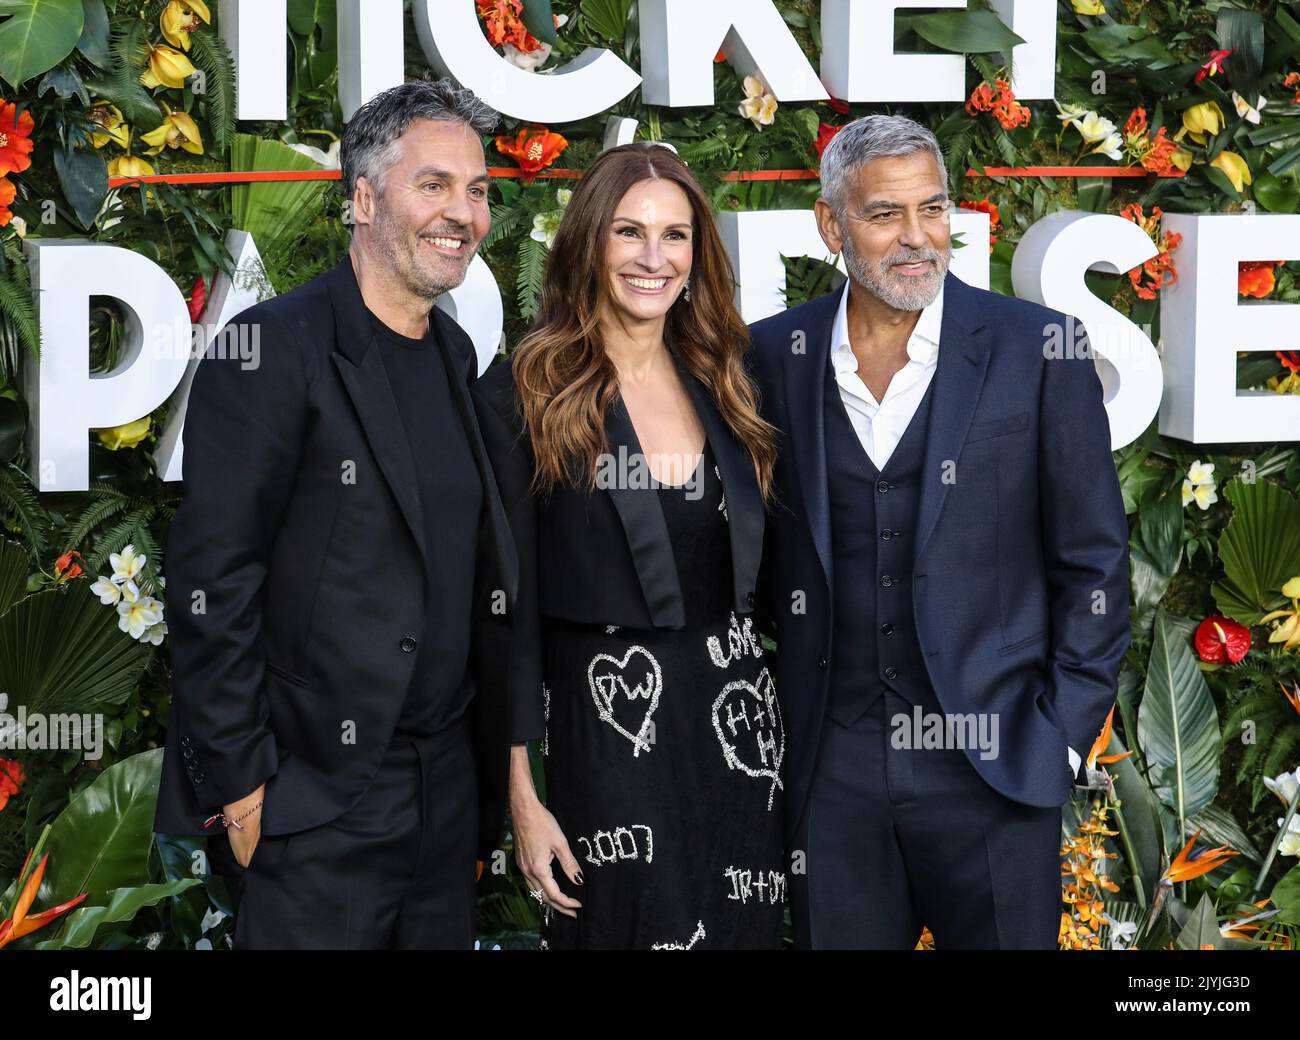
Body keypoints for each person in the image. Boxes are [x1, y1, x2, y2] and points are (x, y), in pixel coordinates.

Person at [747, 115, 1131, 949]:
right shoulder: (773, 357)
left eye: (933, 209)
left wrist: (1062, 735)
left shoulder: (1039, 350)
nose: (917, 237)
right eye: (885, 214)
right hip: (834, 768)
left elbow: (1094, 558)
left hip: (994, 764)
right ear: (830, 224)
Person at [153, 78, 520, 949]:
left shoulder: (455, 352)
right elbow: (211, 579)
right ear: (362, 198)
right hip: (314, 803)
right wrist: (245, 789)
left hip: (443, 797)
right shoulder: (273, 351)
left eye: (477, 191)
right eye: (433, 185)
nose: (462, 213)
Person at [472, 143, 784, 950]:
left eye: (675, 236)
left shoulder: (728, 377)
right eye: (629, 233)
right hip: (602, 740)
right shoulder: (524, 394)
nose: (655, 258)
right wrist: (522, 798)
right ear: (587, 244)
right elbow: (504, 610)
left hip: (737, 734)